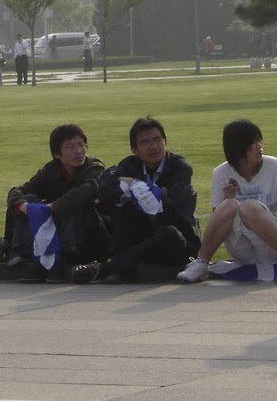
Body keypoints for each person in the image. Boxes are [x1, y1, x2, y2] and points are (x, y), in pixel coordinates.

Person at [177, 120, 277, 284]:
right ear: (237, 148)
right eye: (251, 143)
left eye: (258, 140)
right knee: (228, 206)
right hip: (243, 247)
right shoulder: (221, 173)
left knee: (249, 207)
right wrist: (227, 199)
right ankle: (202, 262)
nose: (258, 146)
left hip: (276, 241)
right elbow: (218, 217)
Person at [75, 117, 200, 284]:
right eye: (145, 143)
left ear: (165, 142)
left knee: (168, 233)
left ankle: (109, 267)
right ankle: (124, 266)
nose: (154, 147)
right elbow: (105, 186)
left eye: (157, 140)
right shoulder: (130, 165)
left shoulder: (180, 168)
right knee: (124, 211)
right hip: (143, 234)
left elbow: (171, 206)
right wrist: (135, 186)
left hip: (177, 236)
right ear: (135, 149)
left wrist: (139, 193)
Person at [0, 124, 108, 283]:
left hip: (88, 236)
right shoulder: (51, 170)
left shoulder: (95, 168)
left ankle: (56, 263)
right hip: (60, 230)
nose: (78, 151)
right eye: (70, 147)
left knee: (77, 204)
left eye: (81, 145)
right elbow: (19, 191)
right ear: (57, 154)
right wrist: (24, 206)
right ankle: (21, 251)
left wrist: (52, 207)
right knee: (30, 200)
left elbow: (87, 192)